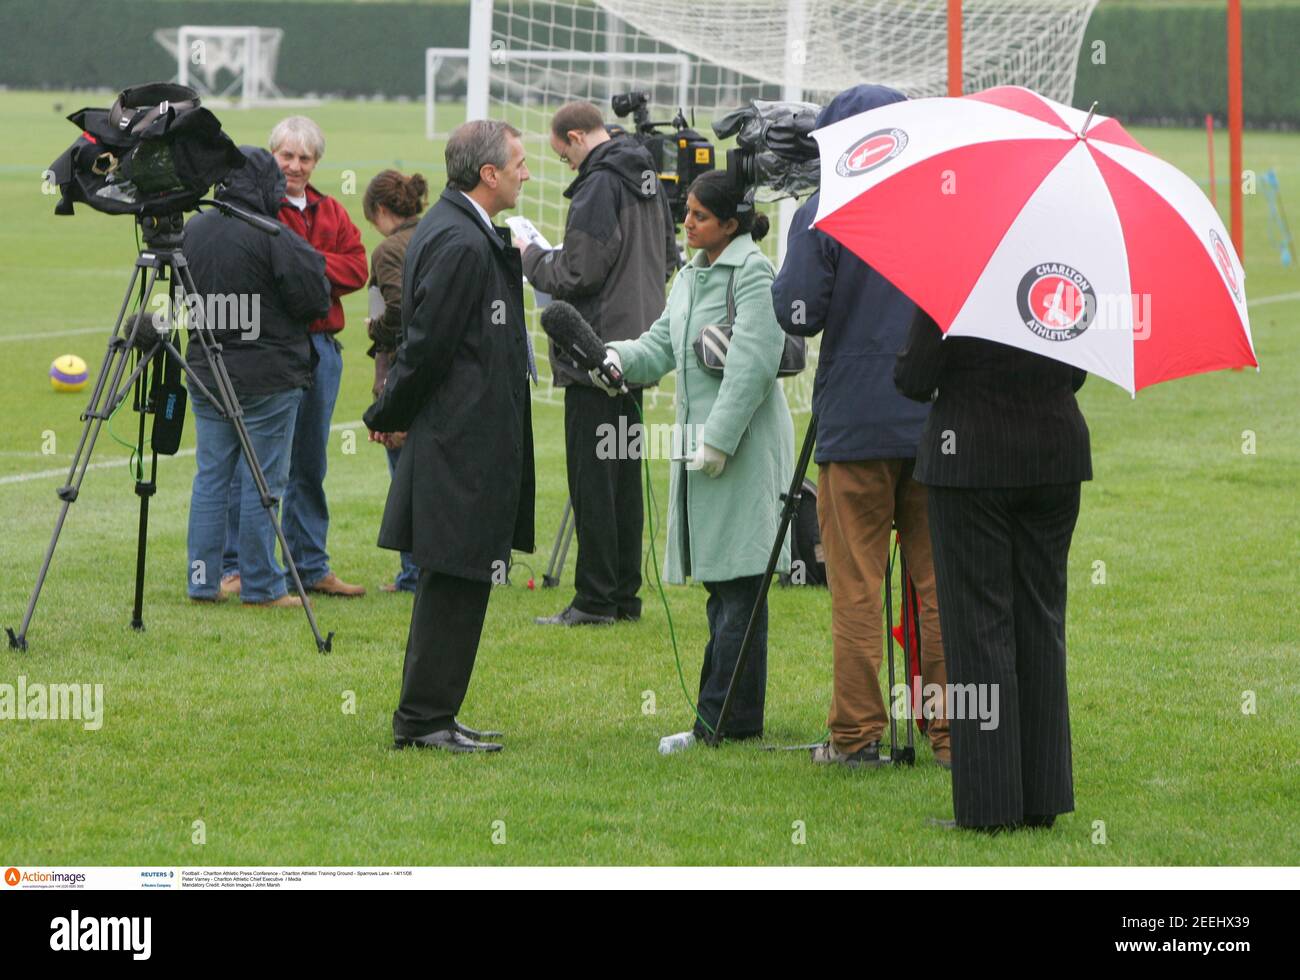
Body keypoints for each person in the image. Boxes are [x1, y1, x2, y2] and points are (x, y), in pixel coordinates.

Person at [773, 85, 951, 771]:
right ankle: (952, 735)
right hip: (937, 421)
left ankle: (854, 736)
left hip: (854, 422)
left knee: (855, 587)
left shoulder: (827, 209)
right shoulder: (943, 201)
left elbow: (796, 313)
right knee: (940, 591)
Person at [601, 170, 794, 749]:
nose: (686, 223)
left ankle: (719, 723)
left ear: (730, 225)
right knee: (726, 585)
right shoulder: (689, 274)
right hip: (702, 448)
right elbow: (661, 344)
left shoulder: (753, 272)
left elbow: (755, 362)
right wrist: (617, 355)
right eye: (686, 211)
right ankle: (734, 719)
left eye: (699, 216)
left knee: (740, 586)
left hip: (742, 448)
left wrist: (719, 438)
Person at [364, 120, 535, 753]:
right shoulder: (460, 240)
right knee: (453, 577)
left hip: (467, 433)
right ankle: (423, 719)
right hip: (459, 440)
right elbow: (428, 346)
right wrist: (388, 412)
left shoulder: (462, 228)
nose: (526, 172)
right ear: (488, 174)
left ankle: (435, 712)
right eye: (518, 162)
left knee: (458, 578)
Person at [895, 309, 1091, 831]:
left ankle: (989, 808)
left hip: (972, 459)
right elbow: (1076, 372)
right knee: (1041, 622)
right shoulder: (1059, 269)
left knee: (979, 629)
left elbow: (913, 378)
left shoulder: (956, 267)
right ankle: (1041, 798)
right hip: (1054, 455)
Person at [516, 101, 678, 627]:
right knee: (623, 478)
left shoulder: (599, 184)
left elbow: (577, 273)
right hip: (640, 344)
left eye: (564, 153)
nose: (566, 165)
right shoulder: (646, 174)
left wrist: (530, 256)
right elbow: (668, 257)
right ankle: (624, 594)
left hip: (596, 349)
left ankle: (593, 600)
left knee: (592, 479)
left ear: (579, 136)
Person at [221, 116, 369, 600]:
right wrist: (312, 266)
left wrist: (304, 261)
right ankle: (238, 567)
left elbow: (358, 268)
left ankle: (310, 564)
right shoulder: (257, 210)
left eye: (305, 158)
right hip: (274, 349)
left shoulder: (331, 211)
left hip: (323, 350)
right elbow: (269, 274)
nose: (295, 166)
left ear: (316, 162)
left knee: (311, 461)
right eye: (286, 156)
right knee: (259, 463)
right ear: (272, 156)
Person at [182, 146, 332, 607]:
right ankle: (263, 585)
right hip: (268, 377)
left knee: (210, 476)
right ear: (267, 186)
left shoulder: (192, 229)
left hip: (207, 370)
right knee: (263, 482)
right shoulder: (274, 235)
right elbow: (314, 300)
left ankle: (204, 580)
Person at [361, 169, 429, 594]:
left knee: (404, 478)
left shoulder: (389, 249)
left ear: (381, 210)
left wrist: (375, 329)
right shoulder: (431, 233)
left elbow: (398, 308)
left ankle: (413, 572)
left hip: (402, 370)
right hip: (434, 370)